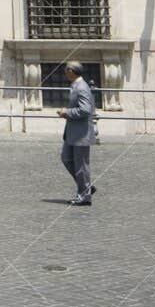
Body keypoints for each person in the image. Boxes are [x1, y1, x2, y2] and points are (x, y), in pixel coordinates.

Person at [57, 61, 96, 206]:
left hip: (81, 134)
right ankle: (86, 187)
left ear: (71, 71)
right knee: (66, 158)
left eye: (66, 70)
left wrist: (66, 112)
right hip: (73, 133)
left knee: (81, 166)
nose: (64, 72)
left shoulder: (82, 87)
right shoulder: (75, 85)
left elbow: (85, 110)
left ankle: (84, 197)